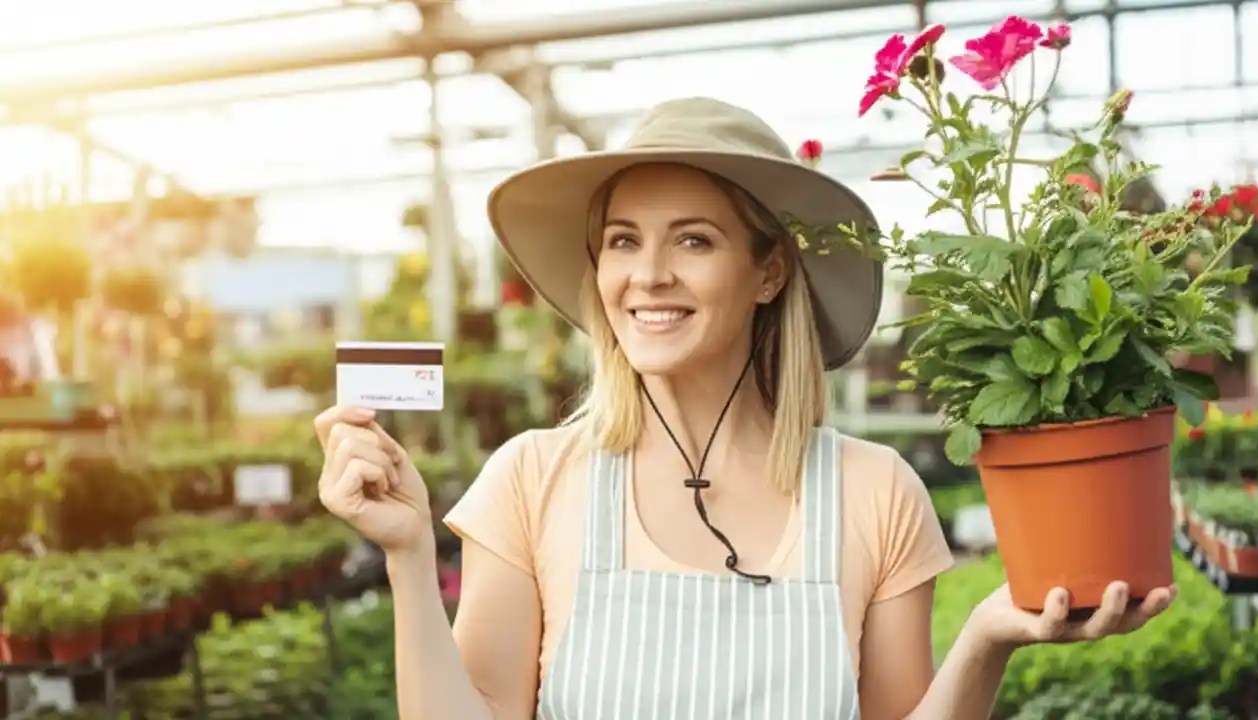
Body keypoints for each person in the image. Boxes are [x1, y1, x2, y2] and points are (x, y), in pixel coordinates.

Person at [314, 97, 1176, 720]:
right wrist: (406, 558)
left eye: (693, 239)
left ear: (768, 273)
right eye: (623, 240)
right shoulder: (535, 478)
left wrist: (987, 638)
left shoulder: (874, 493)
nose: (647, 275)